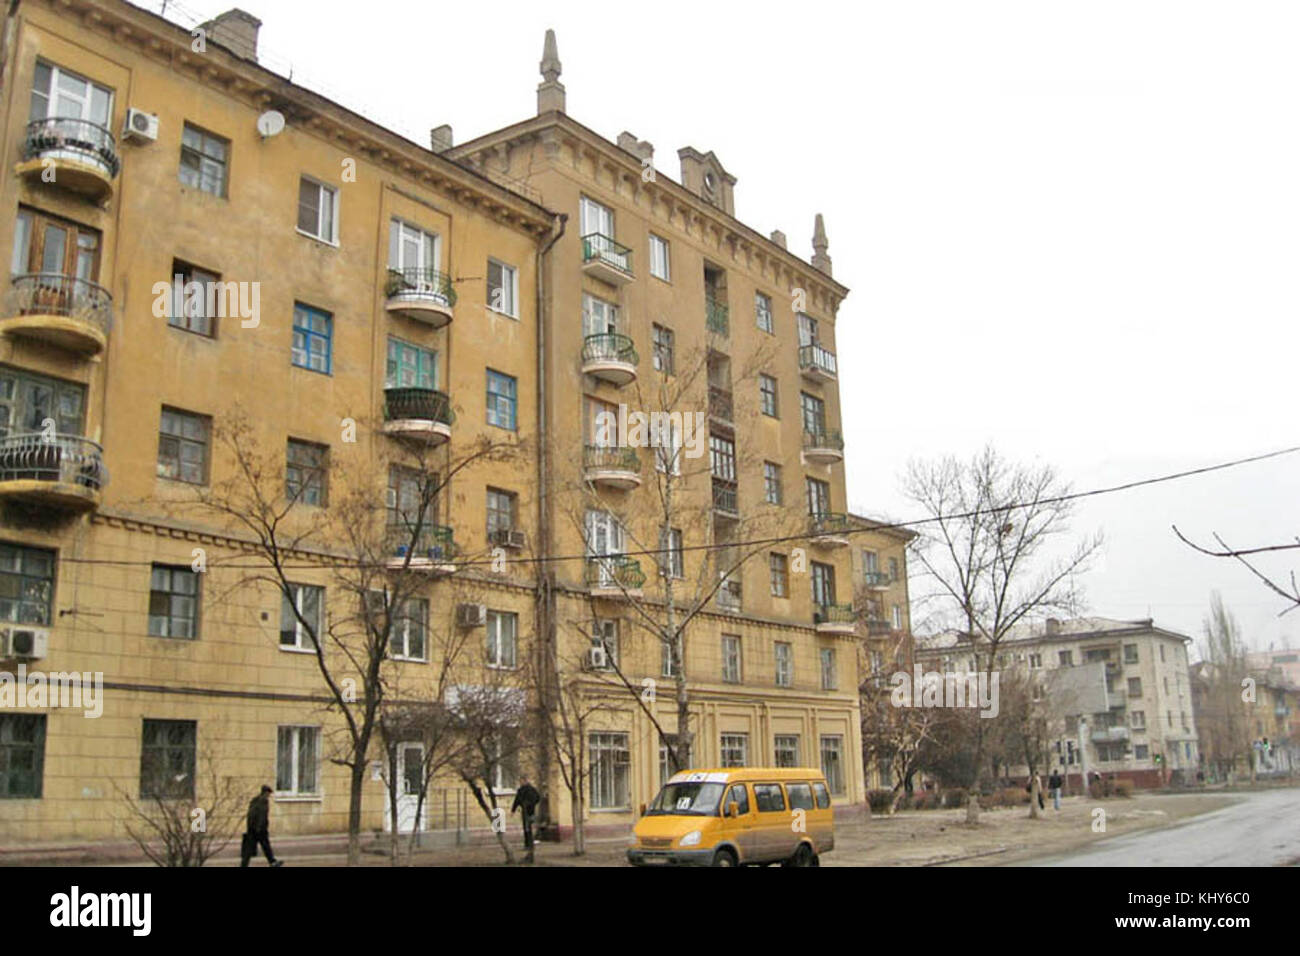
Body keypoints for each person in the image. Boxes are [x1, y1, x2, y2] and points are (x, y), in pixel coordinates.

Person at [241, 785, 283, 867]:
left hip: (252, 829)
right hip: (260, 829)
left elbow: (250, 815)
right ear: (265, 792)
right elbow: (262, 816)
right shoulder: (263, 802)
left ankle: (244, 864)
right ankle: (272, 862)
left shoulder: (254, 800)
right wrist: (260, 828)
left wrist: (250, 827)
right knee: (265, 846)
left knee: (251, 849)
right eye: (268, 793)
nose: (269, 795)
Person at [511, 777, 542, 861]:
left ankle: (529, 844)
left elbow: (537, 798)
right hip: (527, 811)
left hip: (529, 811)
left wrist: (530, 804)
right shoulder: (524, 790)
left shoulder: (529, 790)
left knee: (528, 828)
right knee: (527, 828)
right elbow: (517, 800)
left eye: (521, 781)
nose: (520, 783)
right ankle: (528, 844)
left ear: (525, 781)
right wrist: (513, 809)